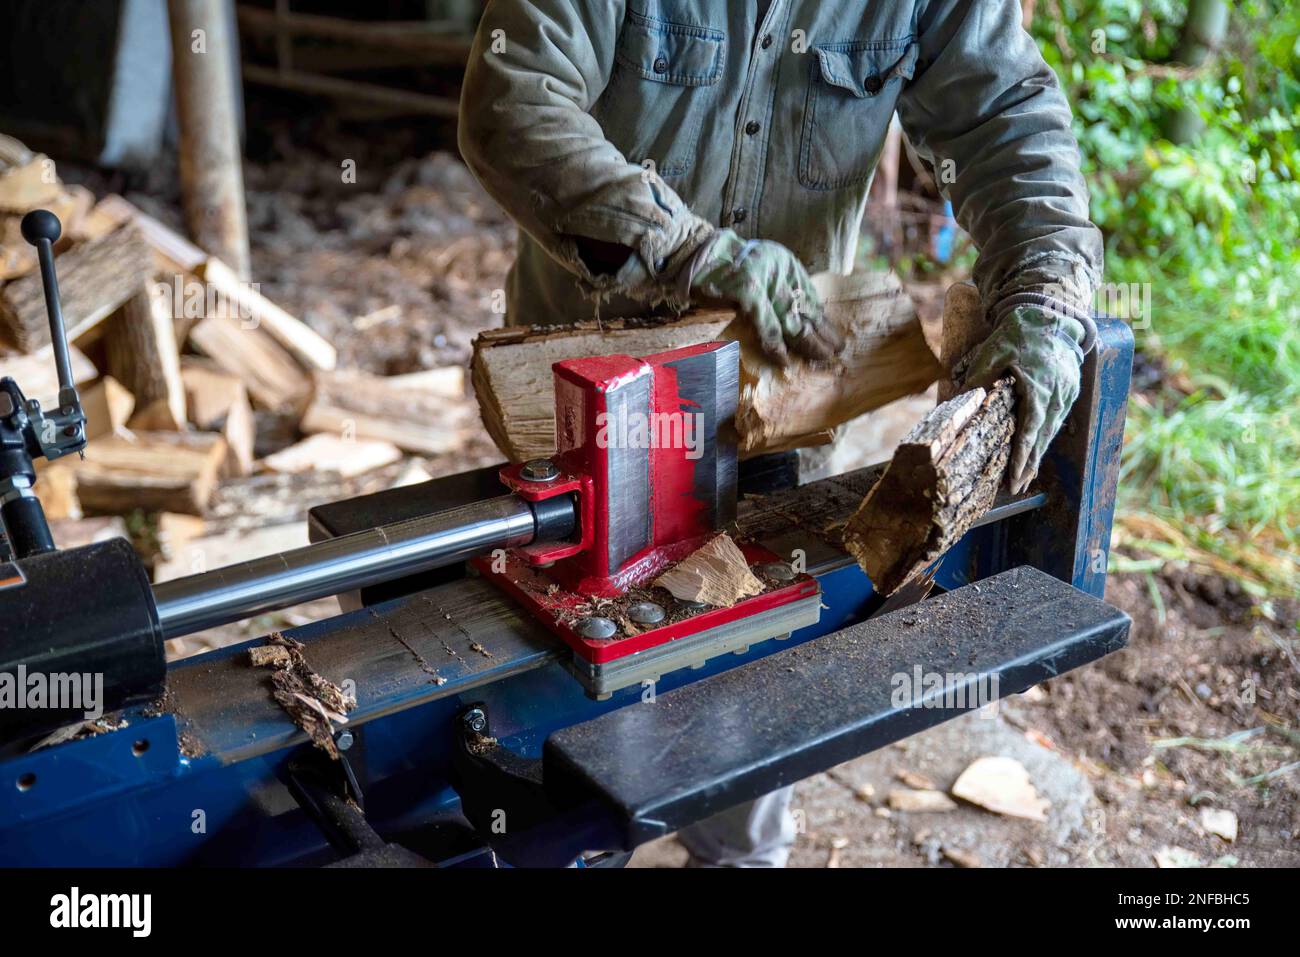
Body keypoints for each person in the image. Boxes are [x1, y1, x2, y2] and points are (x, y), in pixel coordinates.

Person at [458, 0, 1103, 867]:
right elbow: (512, 100)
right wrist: (683, 249)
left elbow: (1002, 116)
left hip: (782, 403)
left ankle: (732, 850)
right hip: (585, 405)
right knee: (565, 707)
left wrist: (1048, 296)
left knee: (750, 715)